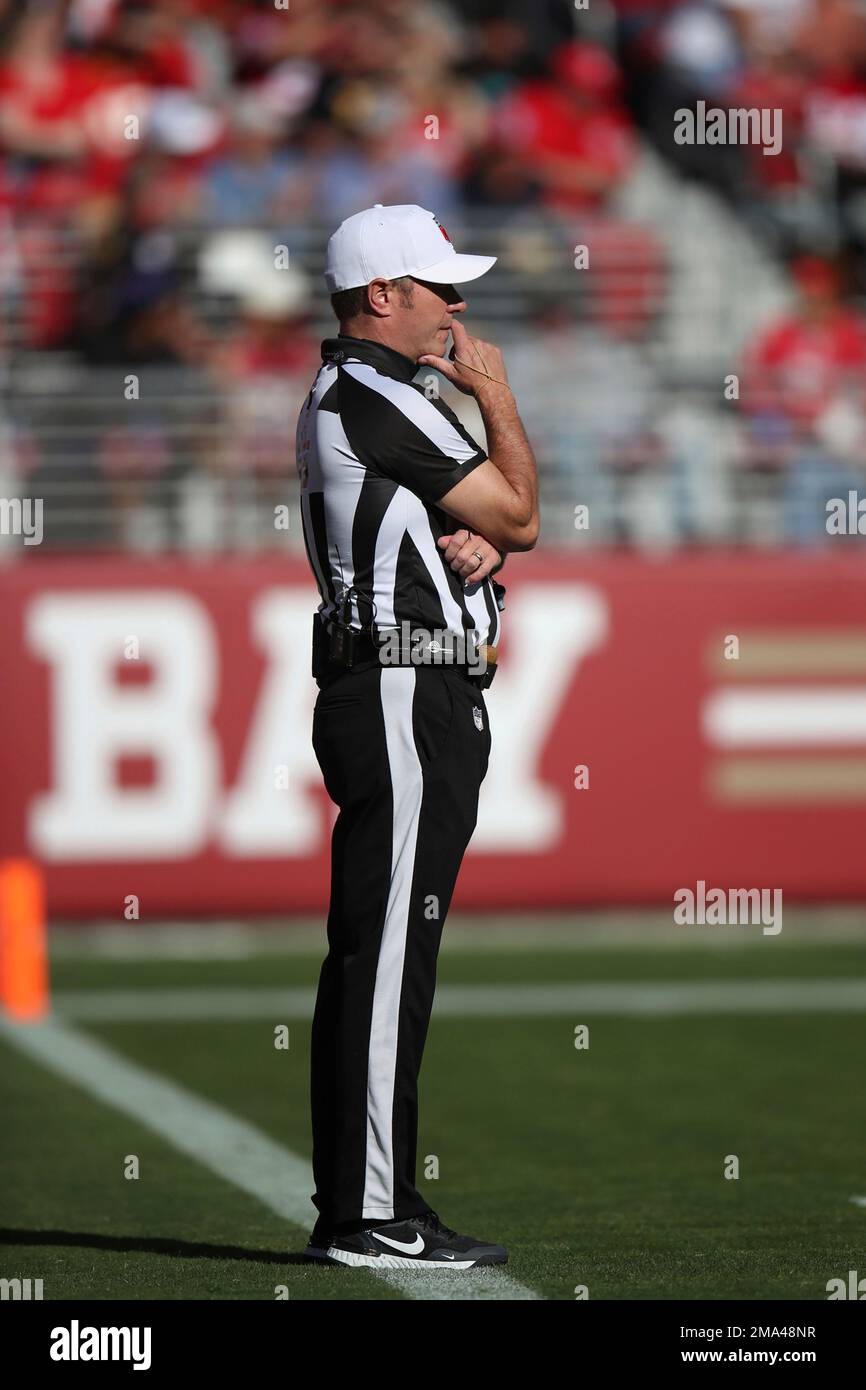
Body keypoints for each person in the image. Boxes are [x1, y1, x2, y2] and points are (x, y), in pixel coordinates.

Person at [296, 204, 538, 1268]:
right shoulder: (374, 391)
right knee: (388, 955)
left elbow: (486, 531)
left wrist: (473, 553)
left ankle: (370, 1195)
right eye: (438, 287)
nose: (458, 306)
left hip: (410, 684)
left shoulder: (372, 394)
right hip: (399, 688)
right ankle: (367, 1213)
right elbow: (521, 511)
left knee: (381, 952)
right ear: (381, 296)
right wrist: (494, 393)